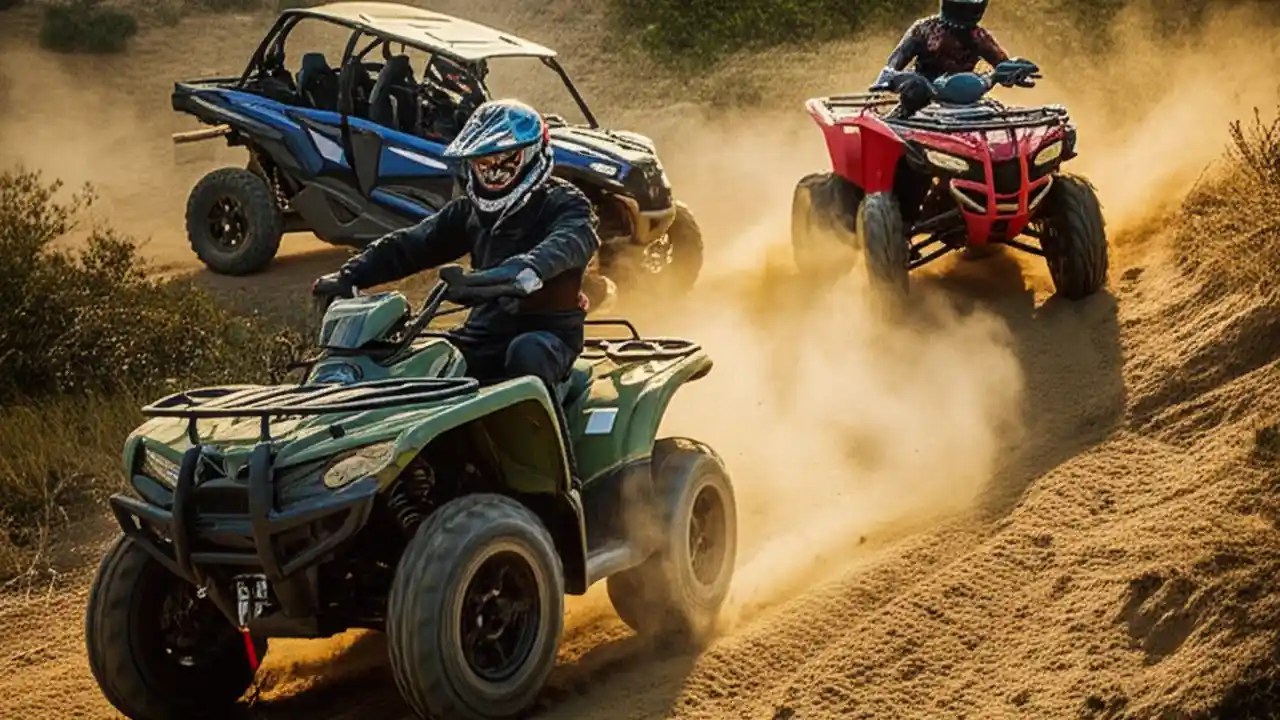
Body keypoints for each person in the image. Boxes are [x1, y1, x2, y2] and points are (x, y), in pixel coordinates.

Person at [311, 99, 599, 395]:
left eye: (505, 163)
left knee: (527, 353)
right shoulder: (468, 212)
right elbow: (412, 244)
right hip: (481, 335)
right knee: (422, 363)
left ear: (531, 157)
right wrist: (349, 275)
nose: (494, 173)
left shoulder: (566, 204)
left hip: (546, 334)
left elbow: (567, 244)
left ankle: (546, 440)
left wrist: (513, 274)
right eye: (484, 164)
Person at [873, 0, 1009, 88]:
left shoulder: (979, 36)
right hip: (924, 96)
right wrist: (888, 78)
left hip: (966, 97)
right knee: (913, 96)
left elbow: (1003, 64)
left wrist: (1014, 71)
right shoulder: (924, 29)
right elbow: (897, 59)